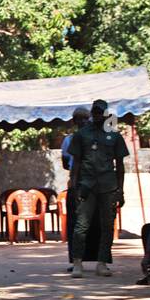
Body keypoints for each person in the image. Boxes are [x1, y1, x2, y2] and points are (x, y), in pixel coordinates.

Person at [69, 98, 128, 278]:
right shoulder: (81, 134)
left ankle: (102, 263)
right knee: (81, 225)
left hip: (108, 185)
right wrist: (73, 186)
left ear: (106, 114)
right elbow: (76, 163)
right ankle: (77, 262)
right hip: (86, 185)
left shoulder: (114, 135)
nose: (96, 115)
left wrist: (120, 190)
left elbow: (120, 165)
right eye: (94, 112)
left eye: (100, 112)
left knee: (107, 225)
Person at [60, 106, 96, 274]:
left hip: (94, 182)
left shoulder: (97, 138)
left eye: (85, 118)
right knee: (75, 222)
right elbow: (66, 163)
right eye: (78, 119)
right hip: (77, 182)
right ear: (74, 121)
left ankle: (99, 259)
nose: (82, 121)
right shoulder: (69, 140)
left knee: (95, 222)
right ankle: (76, 260)